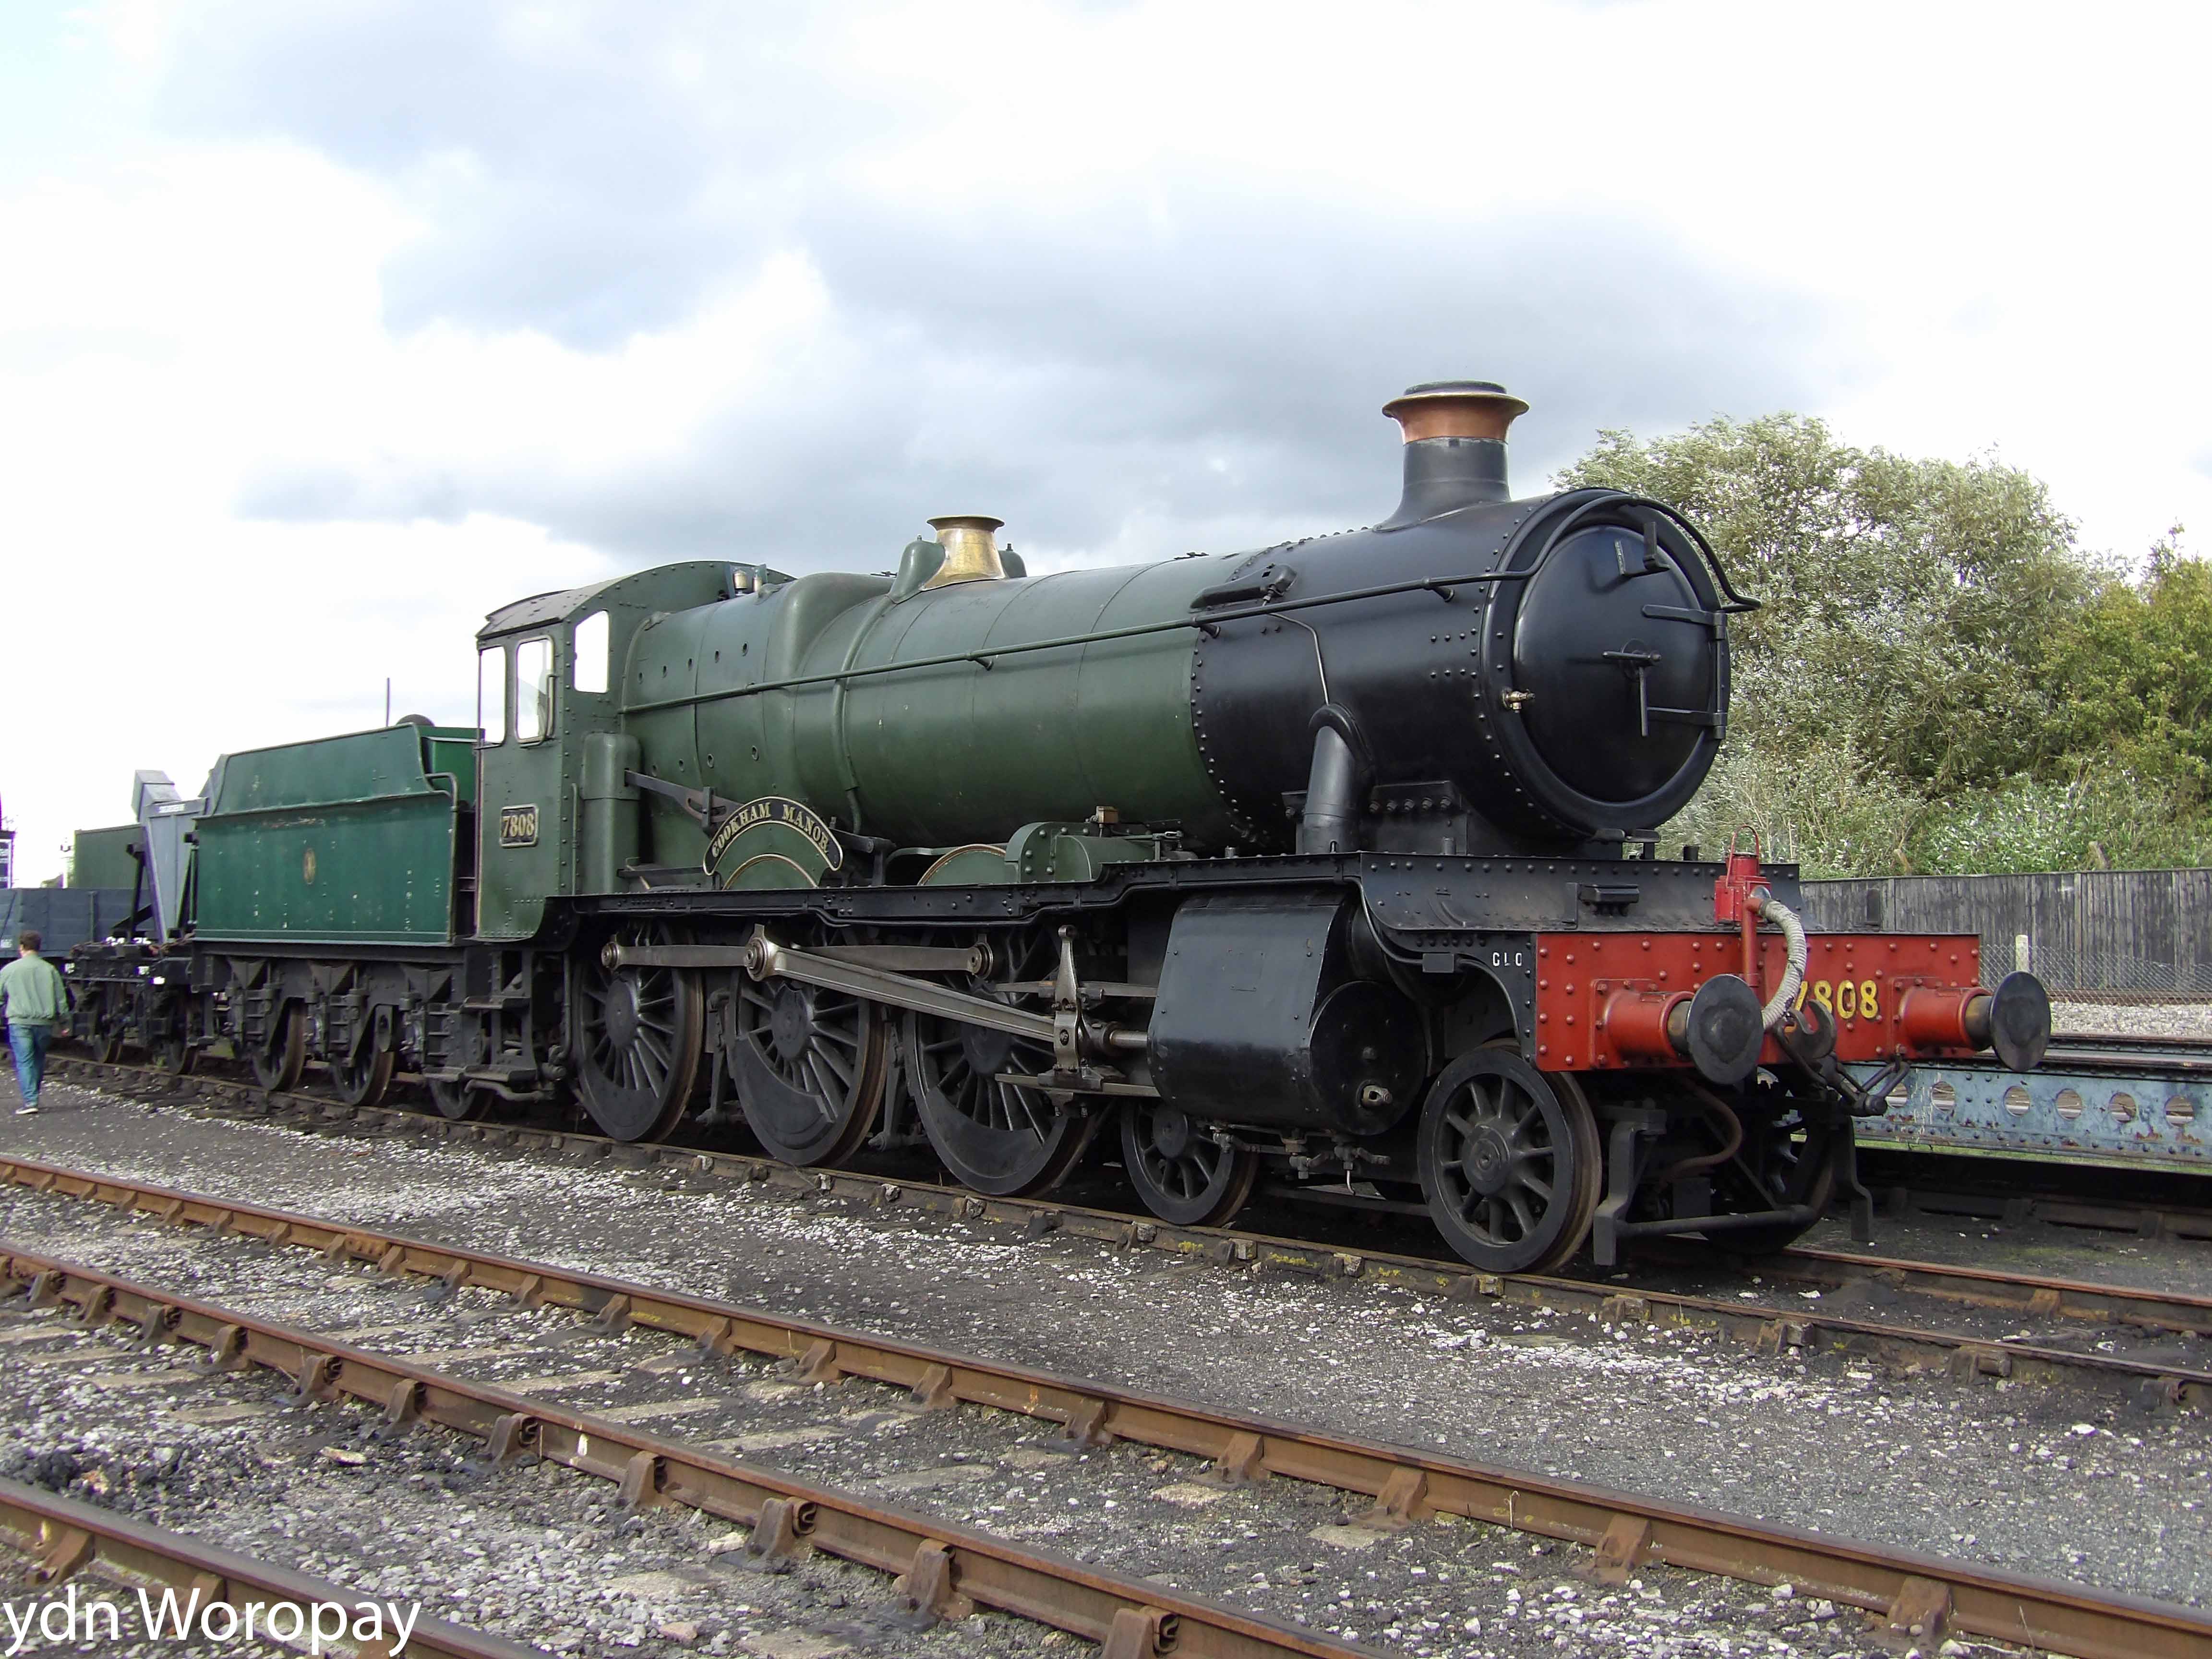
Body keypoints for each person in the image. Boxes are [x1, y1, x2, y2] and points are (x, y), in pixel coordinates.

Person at [0, 929, 71, 1116]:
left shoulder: (9, 970)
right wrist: (65, 1023)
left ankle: (30, 1101)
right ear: (39, 948)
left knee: (25, 1061)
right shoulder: (50, 970)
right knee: (38, 1059)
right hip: (44, 1023)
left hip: (19, 1022)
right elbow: (61, 1000)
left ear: (21, 947)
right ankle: (33, 1096)